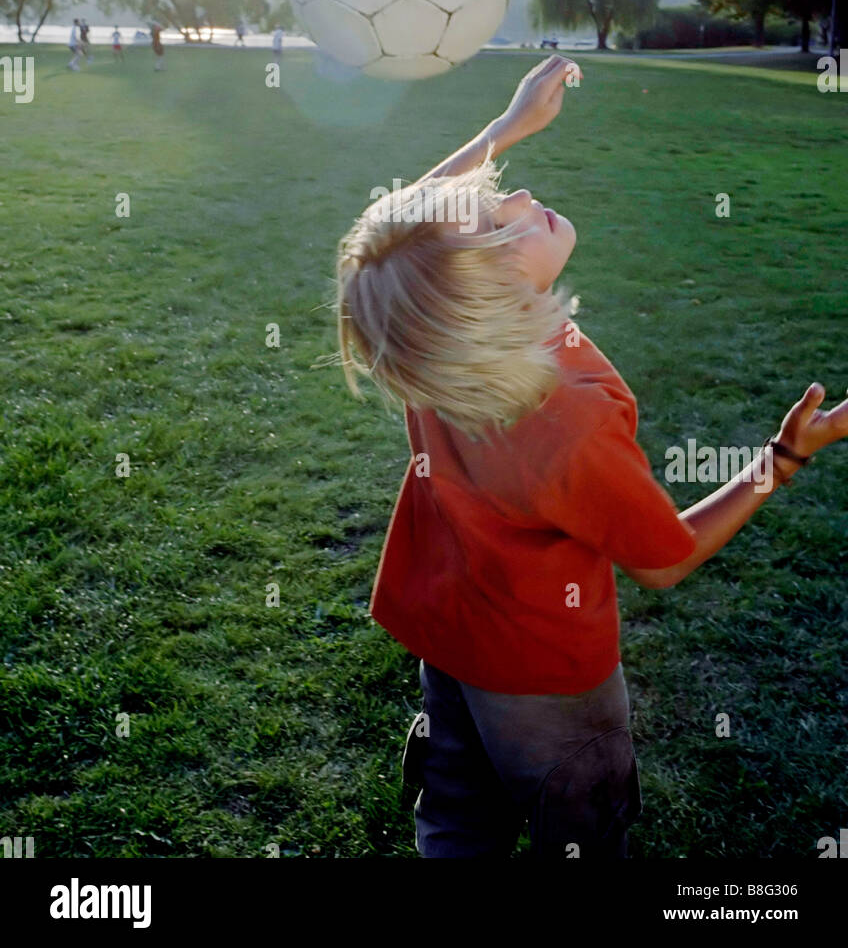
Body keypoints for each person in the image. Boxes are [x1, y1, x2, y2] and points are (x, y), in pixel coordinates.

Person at [335, 54, 848, 859]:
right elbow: (664, 560)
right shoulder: (565, 418)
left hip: (449, 633)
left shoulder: (421, 340)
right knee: (581, 831)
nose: (519, 196)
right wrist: (783, 457)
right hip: (547, 680)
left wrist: (506, 129)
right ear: (483, 296)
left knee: (458, 820)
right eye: (498, 219)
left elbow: (394, 239)